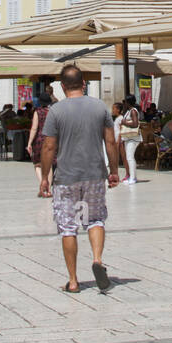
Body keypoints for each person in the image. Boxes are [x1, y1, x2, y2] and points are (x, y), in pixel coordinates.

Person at [38, 65, 120, 294]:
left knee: (68, 227)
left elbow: (49, 146)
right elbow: (111, 142)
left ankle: (73, 281)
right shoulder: (100, 107)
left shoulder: (56, 111)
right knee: (95, 219)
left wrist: (44, 177)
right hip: (94, 174)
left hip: (66, 177)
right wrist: (114, 171)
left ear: (62, 86)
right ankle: (97, 260)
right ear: (83, 83)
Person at [28, 90, 54, 198]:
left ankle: (43, 186)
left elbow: (34, 128)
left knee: (37, 164)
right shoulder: (53, 111)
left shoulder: (37, 112)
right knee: (50, 165)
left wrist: (29, 143)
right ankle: (49, 190)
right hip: (51, 140)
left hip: (39, 140)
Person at [118, 94, 142, 186]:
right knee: (129, 157)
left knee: (130, 157)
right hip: (128, 137)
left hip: (133, 138)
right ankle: (132, 176)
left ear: (128, 102)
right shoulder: (128, 111)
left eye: (125, 102)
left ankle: (133, 177)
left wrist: (125, 123)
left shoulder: (133, 111)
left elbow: (135, 124)